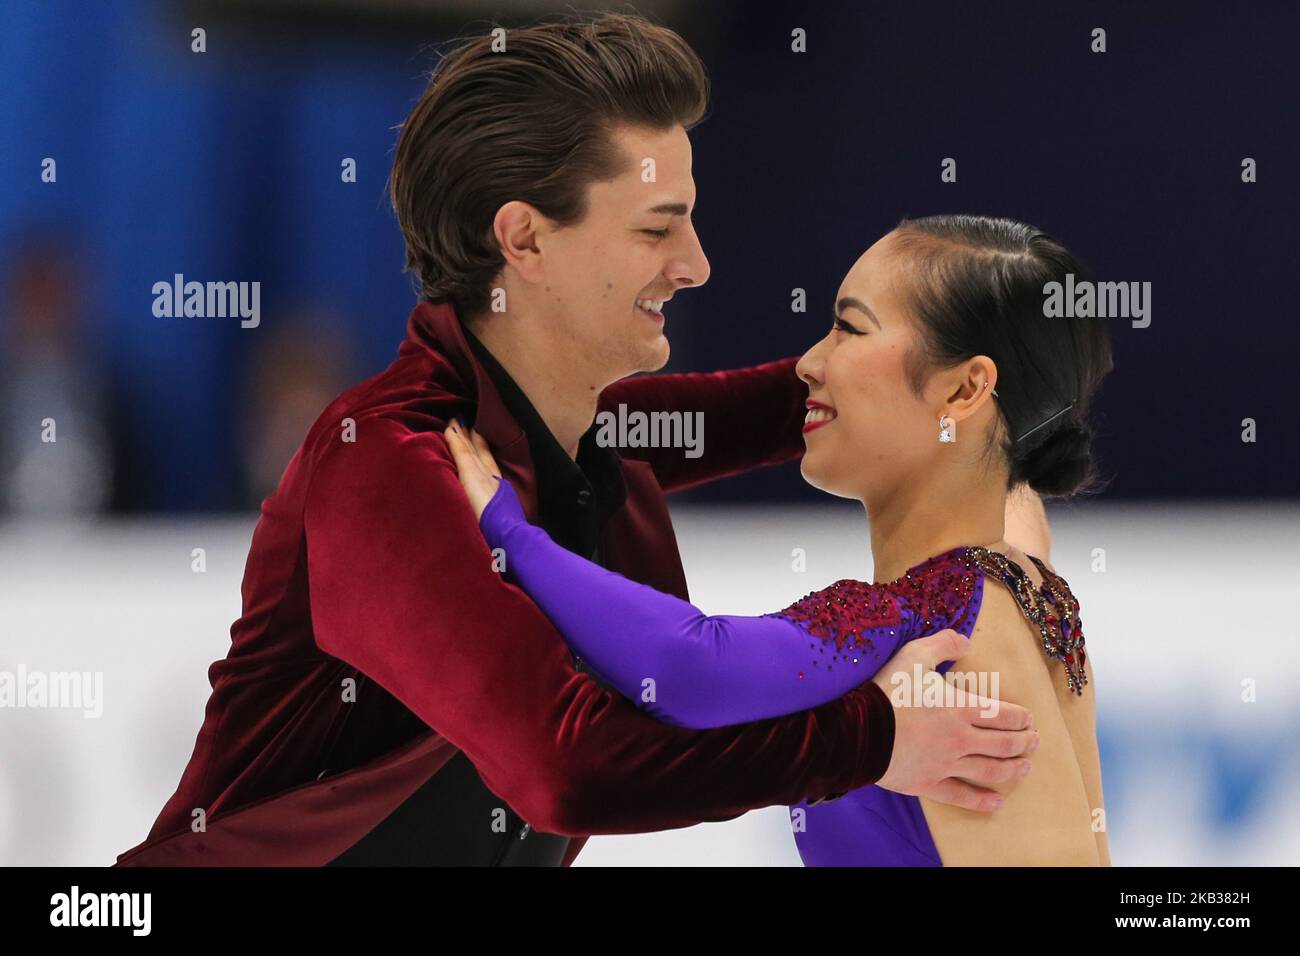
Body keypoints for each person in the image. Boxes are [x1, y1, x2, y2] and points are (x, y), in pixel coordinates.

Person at [115, 15, 1039, 868]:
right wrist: (871, 739)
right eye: (655, 228)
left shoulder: (593, 436)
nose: (696, 264)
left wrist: (1004, 370)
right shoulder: (385, 463)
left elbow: (814, 399)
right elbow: (566, 767)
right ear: (523, 240)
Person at [444, 214, 1114, 865]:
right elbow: (1013, 477)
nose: (808, 364)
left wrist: (512, 536)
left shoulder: (934, 620)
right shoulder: (1025, 582)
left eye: (849, 328)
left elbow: (686, 666)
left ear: (966, 388)